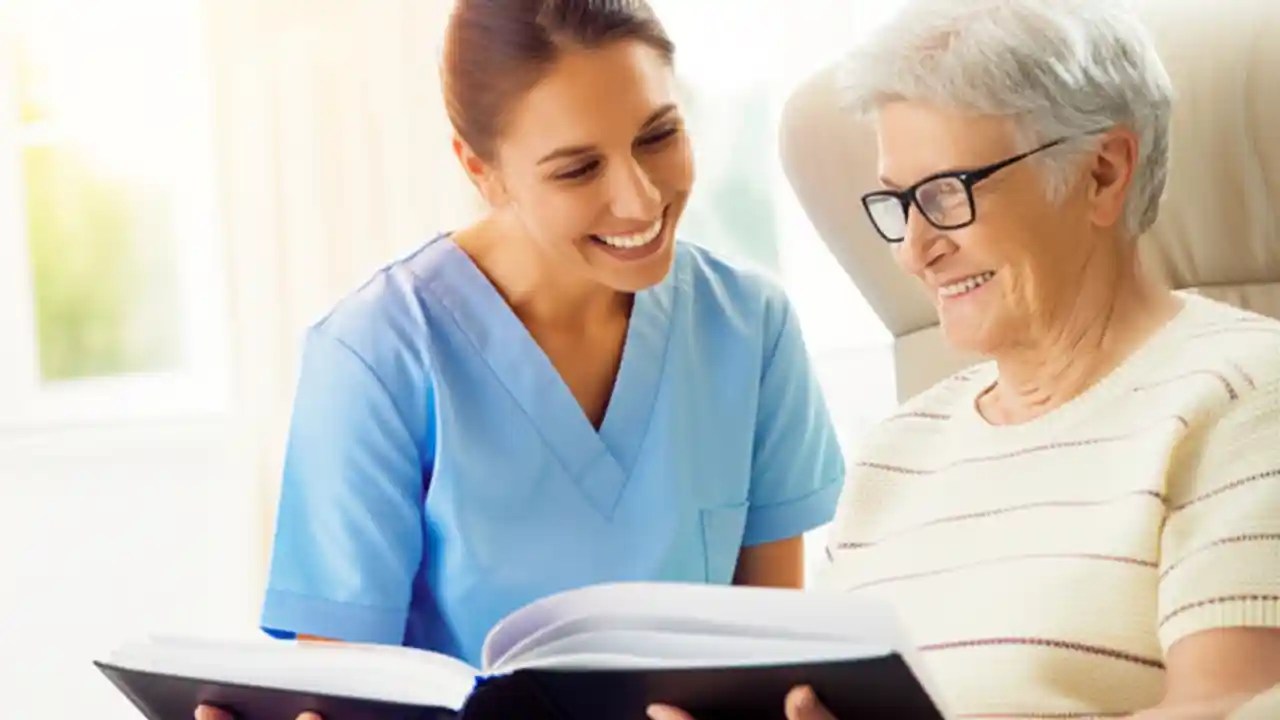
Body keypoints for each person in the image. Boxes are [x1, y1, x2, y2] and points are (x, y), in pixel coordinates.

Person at [196, 0, 845, 718]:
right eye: (578, 170)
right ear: (481, 170)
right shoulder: (375, 357)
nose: (639, 199)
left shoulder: (750, 329)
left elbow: (766, 676)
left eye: (658, 135)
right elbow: (346, 701)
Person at [648, 0, 1280, 718]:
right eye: (899, 202)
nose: (913, 251)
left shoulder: (1247, 396)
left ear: (1102, 174)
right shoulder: (896, 454)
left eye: (947, 193)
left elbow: (1228, 708)